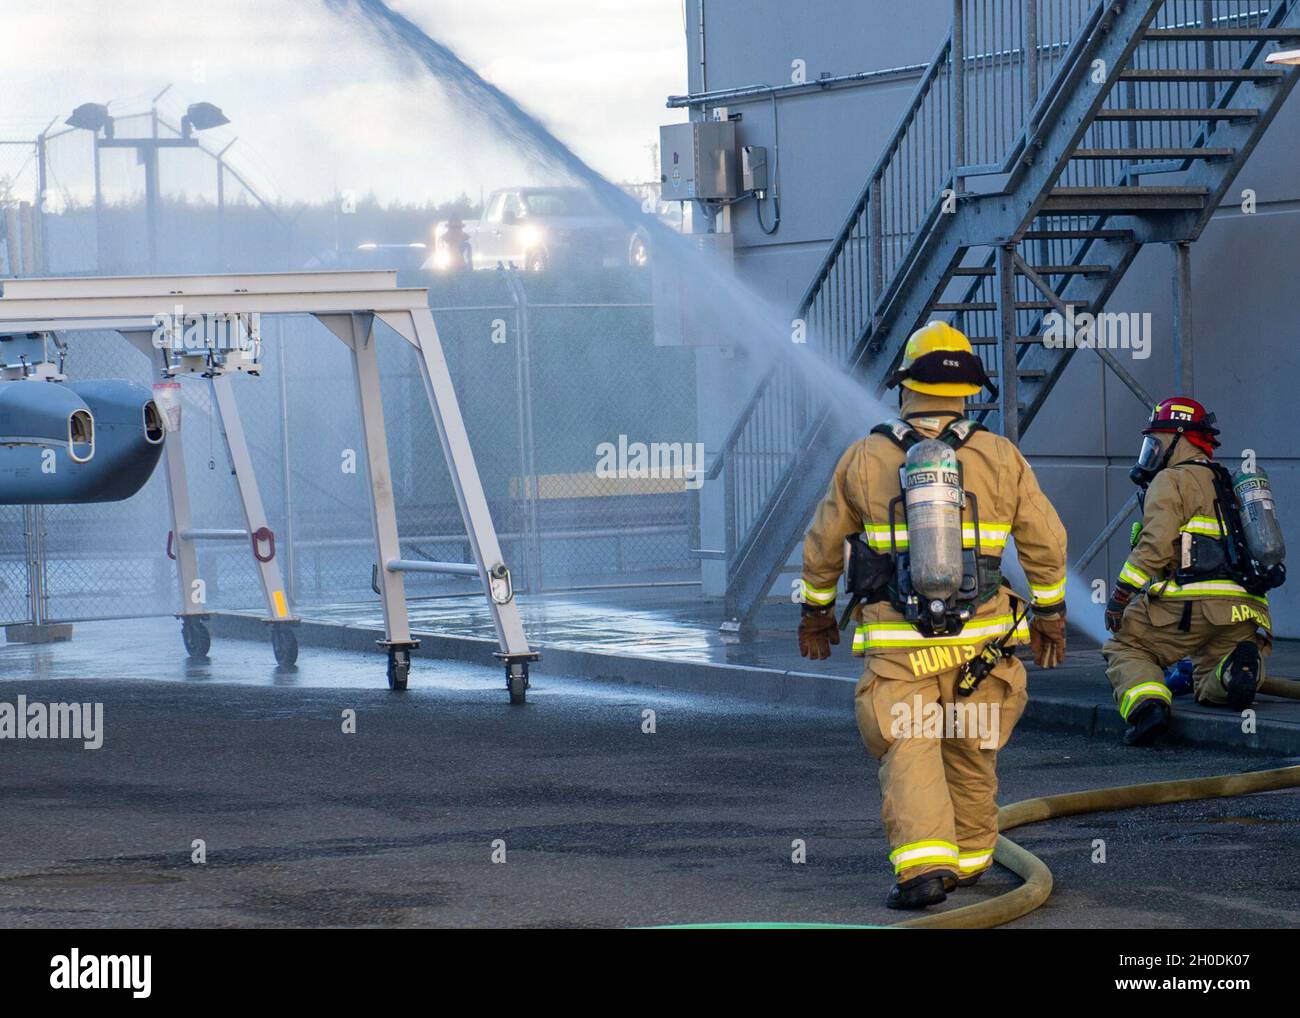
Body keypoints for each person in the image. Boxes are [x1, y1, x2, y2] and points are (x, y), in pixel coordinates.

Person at [798, 321, 1068, 910]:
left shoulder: (865, 456)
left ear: (906, 386)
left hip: (901, 648)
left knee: (913, 745)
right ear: (969, 391)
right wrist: (1050, 611)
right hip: (984, 645)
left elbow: (822, 543)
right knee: (972, 745)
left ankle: (925, 868)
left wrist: (815, 611)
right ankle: (971, 860)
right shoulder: (1000, 456)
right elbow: (1045, 540)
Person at [1102, 397, 1276, 747]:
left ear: (1180, 439)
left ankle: (1148, 707)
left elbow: (1155, 544)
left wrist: (1121, 597)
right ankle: (1232, 672)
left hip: (1186, 607)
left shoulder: (1170, 480)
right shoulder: (1229, 482)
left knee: (1127, 647)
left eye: (1157, 442)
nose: (1151, 452)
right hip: (1244, 611)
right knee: (1206, 681)